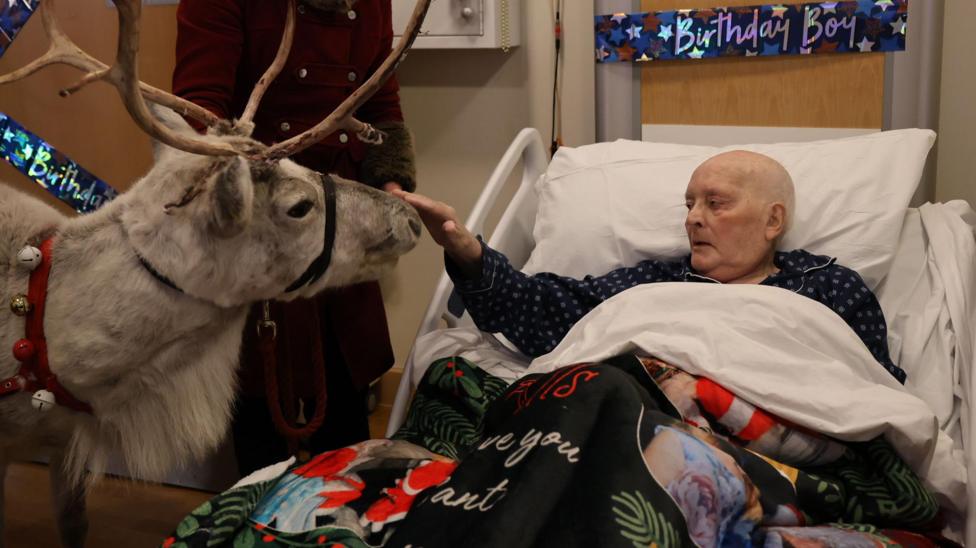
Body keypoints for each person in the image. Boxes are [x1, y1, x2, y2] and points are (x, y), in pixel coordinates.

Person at [395, 150, 906, 383]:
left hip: (774, 443)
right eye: (688, 205)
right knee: (453, 378)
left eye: (715, 203)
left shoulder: (830, 289)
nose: (693, 219)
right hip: (653, 431)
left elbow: (872, 389)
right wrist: (467, 250)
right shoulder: (656, 282)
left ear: (774, 220)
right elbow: (543, 310)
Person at [172, 0, 417, 475]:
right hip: (259, 222)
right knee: (259, 393)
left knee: (345, 388)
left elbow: (381, 101)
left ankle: (342, 523)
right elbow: (198, 113)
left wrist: (391, 186)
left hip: (344, 224)